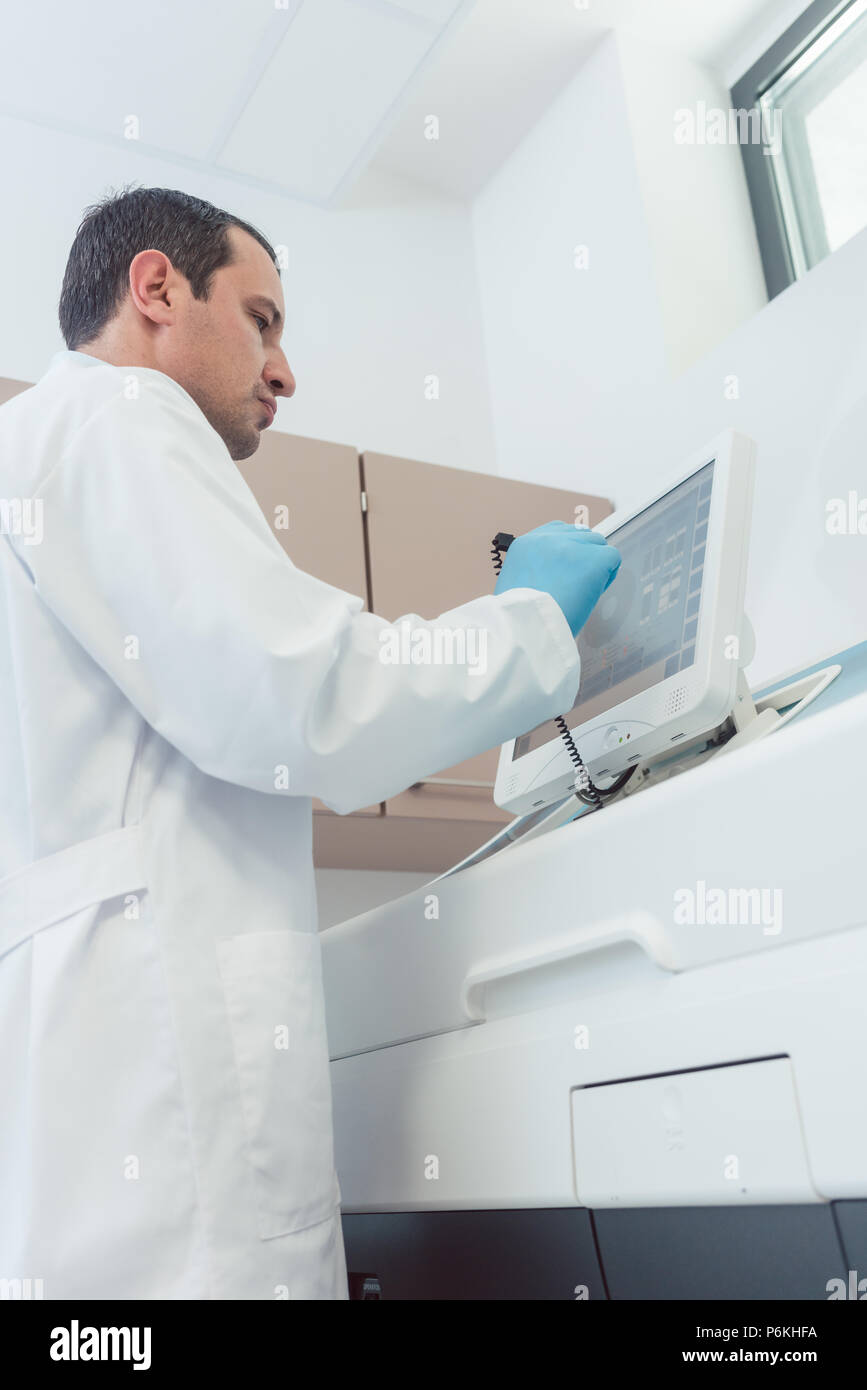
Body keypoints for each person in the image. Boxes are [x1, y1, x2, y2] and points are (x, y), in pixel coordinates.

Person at [0, 186, 620, 1300]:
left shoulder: (26, 455)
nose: (285, 369)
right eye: (262, 319)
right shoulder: (119, 420)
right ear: (156, 290)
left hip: (84, 1123)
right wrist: (526, 621)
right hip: (166, 1118)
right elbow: (307, 696)